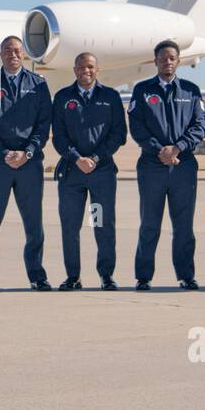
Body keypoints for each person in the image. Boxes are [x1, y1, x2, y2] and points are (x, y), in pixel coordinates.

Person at [0, 35, 52, 290]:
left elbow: (43, 125)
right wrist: (4, 152)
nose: (13, 55)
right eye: (7, 51)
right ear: (1, 55)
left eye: (17, 51)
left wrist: (27, 152)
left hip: (29, 164)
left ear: (24, 54)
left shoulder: (38, 85)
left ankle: (37, 276)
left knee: (34, 225)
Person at [129, 40, 205, 290]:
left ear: (178, 60)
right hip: (152, 166)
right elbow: (137, 127)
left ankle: (186, 275)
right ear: (155, 61)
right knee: (150, 224)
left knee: (183, 225)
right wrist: (159, 150)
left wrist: (178, 148)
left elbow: (200, 126)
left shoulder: (191, 91)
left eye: (172, 57)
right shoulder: (142, 90)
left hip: (183, 166)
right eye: (162, 58)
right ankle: (143, 276)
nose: (167, 62)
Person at [50, 52, 127, 290]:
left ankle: (106, 275)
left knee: (101, 224)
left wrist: (94, 158)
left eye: (91, 67)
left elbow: (119, 135)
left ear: (97, 69)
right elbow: (59, 137)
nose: (86, 70)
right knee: (71, 227)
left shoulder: (110, 97)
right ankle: (73, 277)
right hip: (72, 176)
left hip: (101, 175)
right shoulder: (63, 97)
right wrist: (77, 158)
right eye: (82, 67)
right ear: (74, 70)